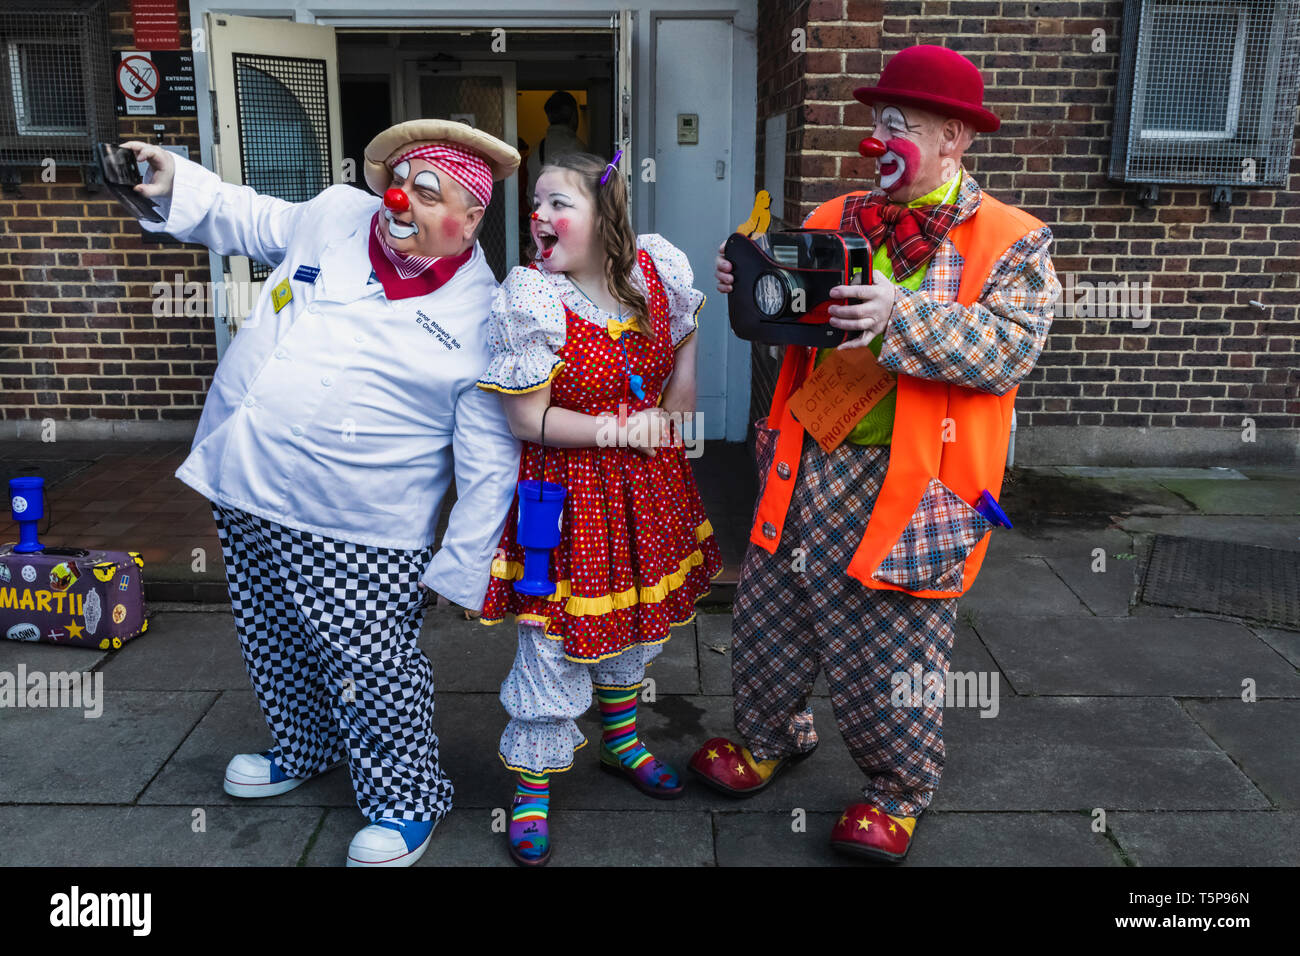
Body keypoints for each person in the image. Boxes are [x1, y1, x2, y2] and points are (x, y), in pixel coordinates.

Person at [691, 45, 1061, 863]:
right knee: (769, 619)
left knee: (889, 643)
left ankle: (897, 790)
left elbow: (1009, 349)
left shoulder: (1014, 241)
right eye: (876, 123)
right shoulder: (833, 217)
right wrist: (745, 278)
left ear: (954, 137)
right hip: (803, 458)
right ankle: (770, 737)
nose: (876, 139)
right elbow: (789, 312)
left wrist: (903, 313)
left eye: (898, 125)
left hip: (913, 479)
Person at [122, 119, 522, 867]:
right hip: (246, 480)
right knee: (271, 636)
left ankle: (406, 801)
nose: (400, 198)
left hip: (362, 525)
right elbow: (249, 216)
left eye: (427, 191)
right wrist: (172, 181)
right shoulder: (339, 216)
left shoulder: (485, 316)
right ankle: (304, 746)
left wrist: (464, 566)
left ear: (470, 220)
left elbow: (491, 460)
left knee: (372, 667)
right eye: (399, 181)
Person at [476, 151, 722, 865]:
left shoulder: (654, 272)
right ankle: (529, 792)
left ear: (605, 219)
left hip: (650, 487)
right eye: (537, 204)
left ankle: (621, 742)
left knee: (634, 632)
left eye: (559, 204)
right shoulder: (530, 297)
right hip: (569, 498)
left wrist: (681, 388)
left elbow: (686, 332)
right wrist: (619, 428)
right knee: (552, 643)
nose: (539, 216)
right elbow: (528, 422)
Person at [525, 90, 588, 197]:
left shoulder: (535, 151)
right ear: (573, 114)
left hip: (539, 212)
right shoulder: (579, 150)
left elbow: (530, 196)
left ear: (549, 117)